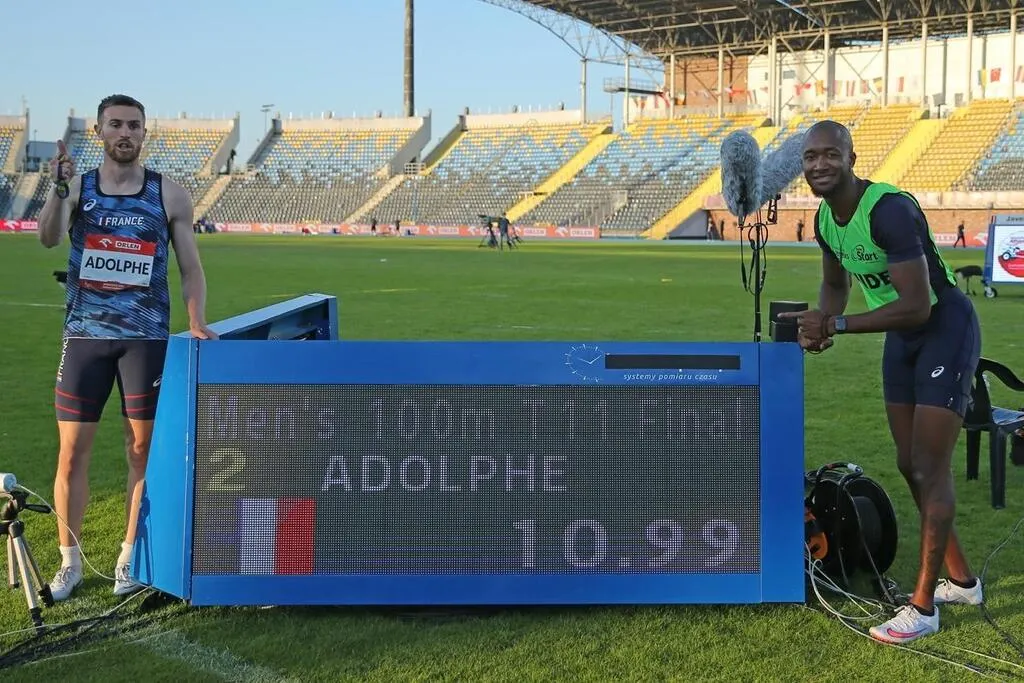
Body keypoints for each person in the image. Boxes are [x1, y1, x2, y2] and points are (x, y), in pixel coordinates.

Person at [779, 120, 983, 645]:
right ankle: (962, 583)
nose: (819, 165)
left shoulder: (888, 209)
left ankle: (923, 609)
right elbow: (833, 284)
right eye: (809, 158)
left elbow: (917, 305)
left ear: (851, 157)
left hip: (942, 327)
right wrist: (823, 324)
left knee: (926, 465)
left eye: (830, 155)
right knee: (906, 463)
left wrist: (838, 324)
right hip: (904, 337)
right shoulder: (826, 219)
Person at [37, 94, 217, 600]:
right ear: (99, 132)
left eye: (133, 126)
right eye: (115, 124)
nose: (124, 133)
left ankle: (128, 557)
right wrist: (56, 188)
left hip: (145, 341)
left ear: (144, 133)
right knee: (71, 456)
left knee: (142, 451)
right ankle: (69, 562)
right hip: (86, 340)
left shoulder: (169, 194)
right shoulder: (76, 187)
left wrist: (197, 319)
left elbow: (191, 267)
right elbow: (49, 238)